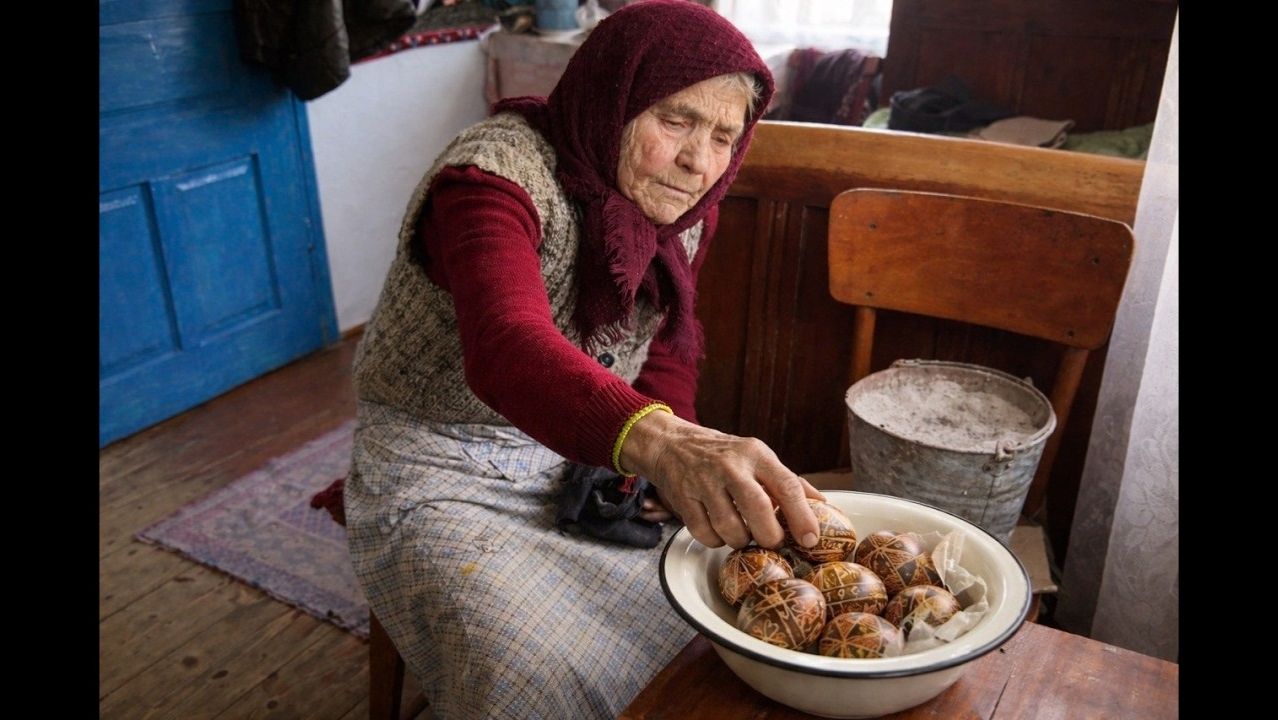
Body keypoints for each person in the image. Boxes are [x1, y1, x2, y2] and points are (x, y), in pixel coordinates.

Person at [344, 1, 825, 717]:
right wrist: (664, 444)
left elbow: (662, 348)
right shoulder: (491, 180)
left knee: (707, 620)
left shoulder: (684, 204)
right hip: (433, 462)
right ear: (614, 95)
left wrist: (668, 467)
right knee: (527, 673)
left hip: (583, 451)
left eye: (726, 136)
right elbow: (508, 347)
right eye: (677, 120)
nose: (700, 161)